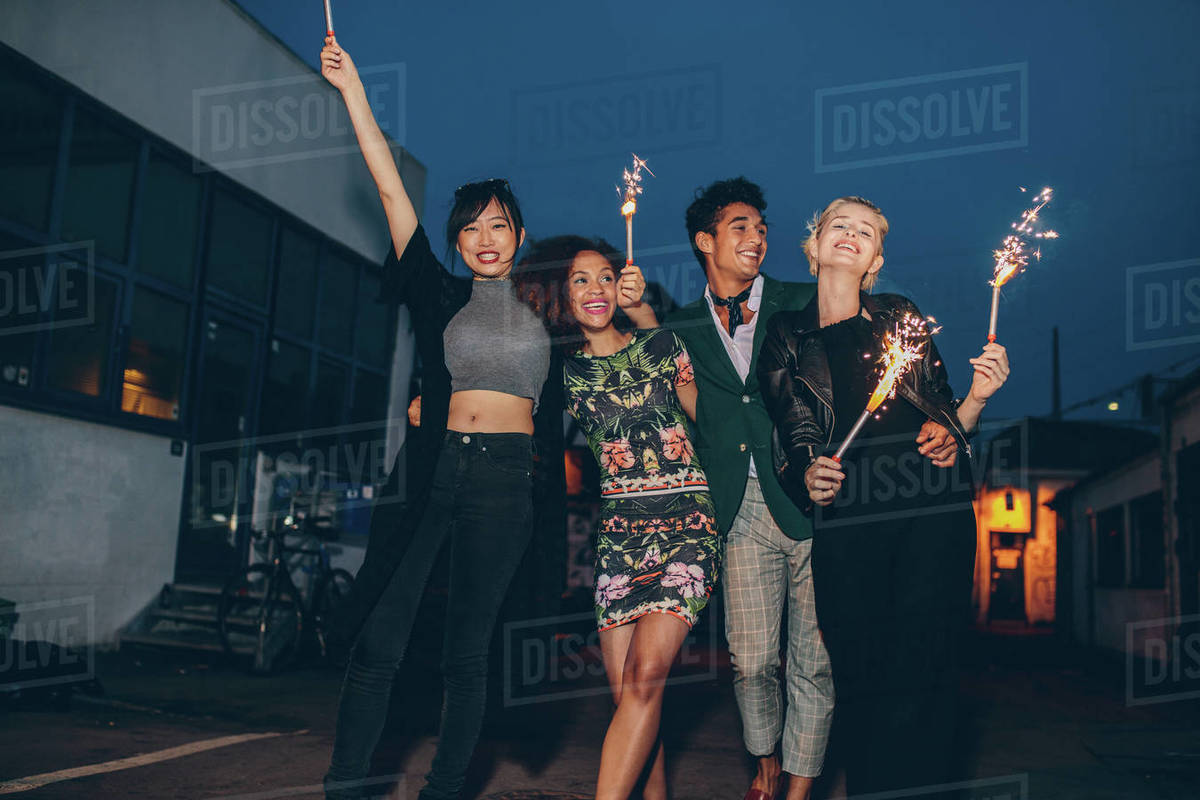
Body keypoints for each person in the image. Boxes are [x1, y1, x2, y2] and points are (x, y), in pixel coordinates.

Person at [316, 38, 648, 800]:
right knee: (382, 640)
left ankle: (444, 791)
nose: (486, 237)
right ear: (458, 241)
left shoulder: (551, 320)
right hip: (433, 470)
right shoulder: (437, 294)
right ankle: (345, 784)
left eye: (500, 225)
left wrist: (632, 304)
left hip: (507, 482)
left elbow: (623, 364)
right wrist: (353, 91)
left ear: (518, 237)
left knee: (470, 655)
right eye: (472, 227)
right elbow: (391, 189)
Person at [757, 196, 1010, 797]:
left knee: (925, 669)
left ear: (875, 260)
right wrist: (807, 472)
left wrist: (971, 406)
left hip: (932, 506)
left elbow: (948, 414)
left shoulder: (900, 315)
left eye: (865, 231)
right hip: (850, 515)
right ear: (814, 246)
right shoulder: (786, 335)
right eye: (838, 225)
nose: (851, 235)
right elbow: (795, 431)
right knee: (862, 672)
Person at [667, 177, 834, 800]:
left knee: (814, 661)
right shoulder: (679, 325)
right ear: (705, 240)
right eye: (741, 226)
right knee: (753, 661)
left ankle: (796, 789)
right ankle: (764, 760)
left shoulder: (804, 300)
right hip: (735, 509)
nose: (757, 237)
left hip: (814, 499)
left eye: (762, 228)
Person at [552, 235, 720, 800]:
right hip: (619, 536)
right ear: (563, 295)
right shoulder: (567, 375)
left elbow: (710, 417)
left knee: (646, 678)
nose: (595, 288)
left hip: (686, 522)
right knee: (632, 698)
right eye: (580, 279)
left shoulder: (661, 344)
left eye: (604, 276)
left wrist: (645, 314)